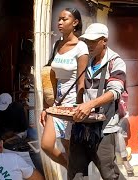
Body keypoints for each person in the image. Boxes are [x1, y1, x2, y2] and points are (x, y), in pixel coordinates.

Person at [67, 23, 126, 180]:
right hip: (81, 126)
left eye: (93, 41)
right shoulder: (87, 61)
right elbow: (80, 89)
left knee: (109, 174)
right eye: (87, 41)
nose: (89, 45)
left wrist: (90, 105)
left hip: (104, 129)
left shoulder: (116, 62)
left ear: (104, 41)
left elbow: (115, 91)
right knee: (75, 173)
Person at [40, 8, 88, 168]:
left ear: (75, 23)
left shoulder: (81, 47)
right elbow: (50, 77)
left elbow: (81, 82)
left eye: (64, 19)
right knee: (46, 145)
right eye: (59, 19)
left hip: (71, 106)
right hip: (57, 105)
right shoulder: (57, 45)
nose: (59, 22)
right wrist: (45, 107)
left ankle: (76, 174)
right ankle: (71, 169)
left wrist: (79, 109)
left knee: (69, 148)